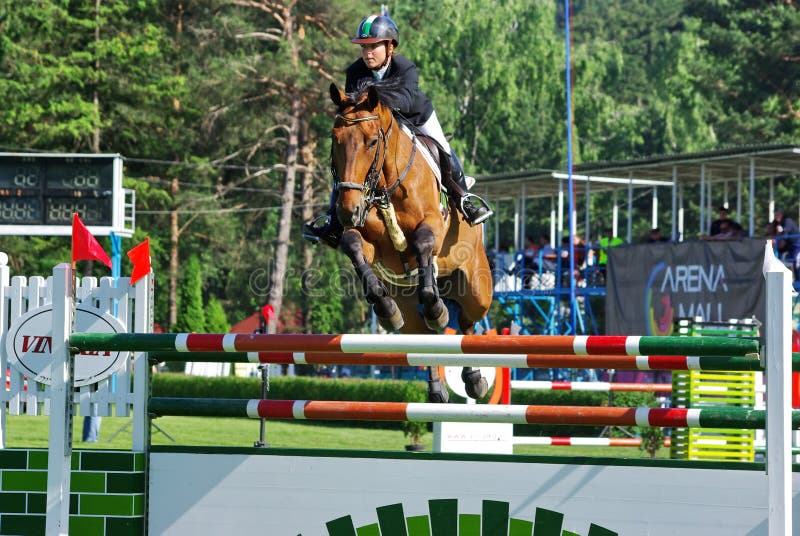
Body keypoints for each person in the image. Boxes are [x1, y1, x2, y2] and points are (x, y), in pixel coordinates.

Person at [303, 14, 493, 247]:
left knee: (443, 149)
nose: (367, 52)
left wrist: (378, 103)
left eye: (373, 46)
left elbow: (407, 99)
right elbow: (354, 108)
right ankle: (334, 218)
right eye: (363, 47)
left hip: (415, 118)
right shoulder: (354, 72)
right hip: (377, 126)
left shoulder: (405, 67)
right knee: (349, 161)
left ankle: (464, 198)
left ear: (390, 46)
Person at [771, 207, 800, 280]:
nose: (776, 216)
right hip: (788, 245)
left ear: (782, 214)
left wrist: (776, 245)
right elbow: (771, 231)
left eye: (778, 214)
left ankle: (797, 282)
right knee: (782, 259)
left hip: (796, 244)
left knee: (795, 261)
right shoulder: (776, 222)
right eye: (775, 214)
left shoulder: (788, 221)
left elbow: (785, 237)